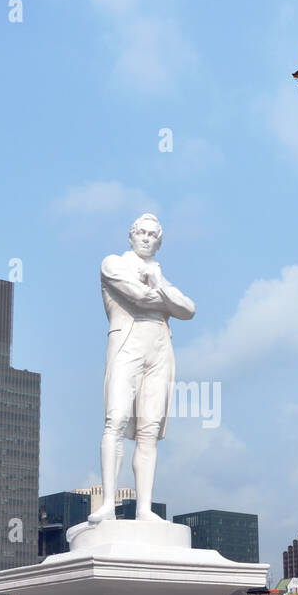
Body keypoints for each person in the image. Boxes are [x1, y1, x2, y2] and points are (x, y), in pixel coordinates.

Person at [88, 214, 195, 524]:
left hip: (161, 349)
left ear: (159, 243)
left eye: (153, 235)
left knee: (149, 430)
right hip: (127, 344)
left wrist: (160, 285)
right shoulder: (113, 264)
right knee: (116, 420)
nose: (147, 238)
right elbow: (139, 296)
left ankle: (144, 509)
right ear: (131, 236)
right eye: (142, 233)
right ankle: (108, 503)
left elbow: (188, 309)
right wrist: (164, 299)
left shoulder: (159, 276)